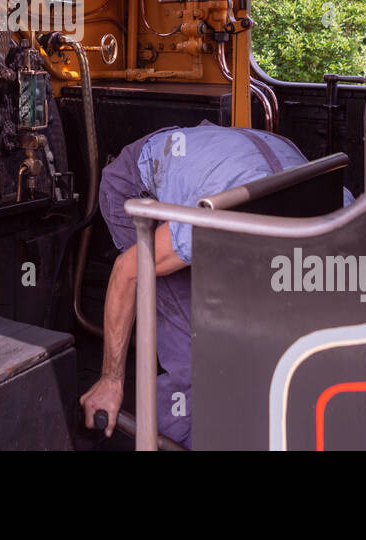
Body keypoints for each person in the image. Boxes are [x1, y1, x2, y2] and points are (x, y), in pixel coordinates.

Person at [80, 121, 336, 448]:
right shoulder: (218, 223)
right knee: (192, 345)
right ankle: (177, 438)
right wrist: (111, 380)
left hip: (221, 159)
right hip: (139, 181)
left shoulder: (338, 211)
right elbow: (127, 271)